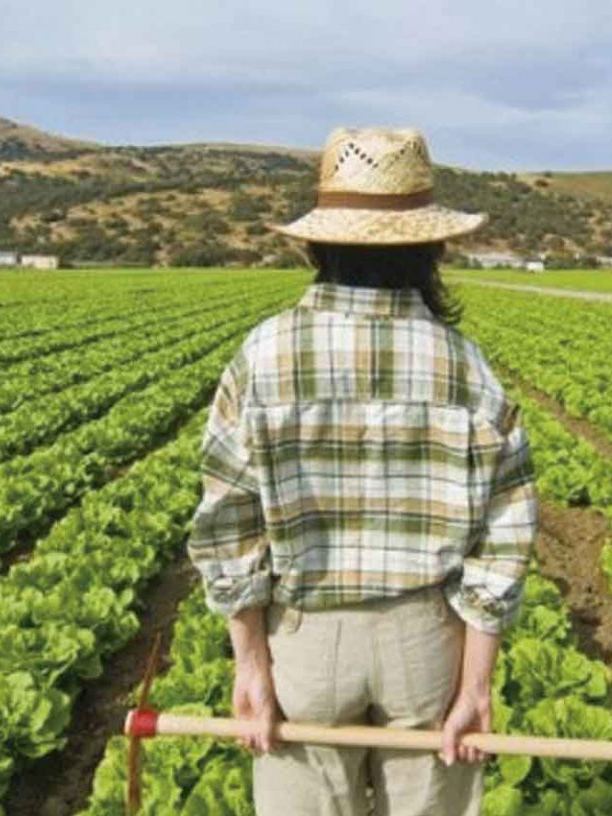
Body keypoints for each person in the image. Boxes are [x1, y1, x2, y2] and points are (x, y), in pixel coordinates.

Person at [186, 126, 538, 815]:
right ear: (432, 246)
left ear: (318, 243)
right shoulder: (465, 366)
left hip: (305, 642)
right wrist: (476, 684)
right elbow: (505, 535)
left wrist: (252, 666)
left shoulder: (262, 356)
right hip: (425, 643)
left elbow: (227, 525)